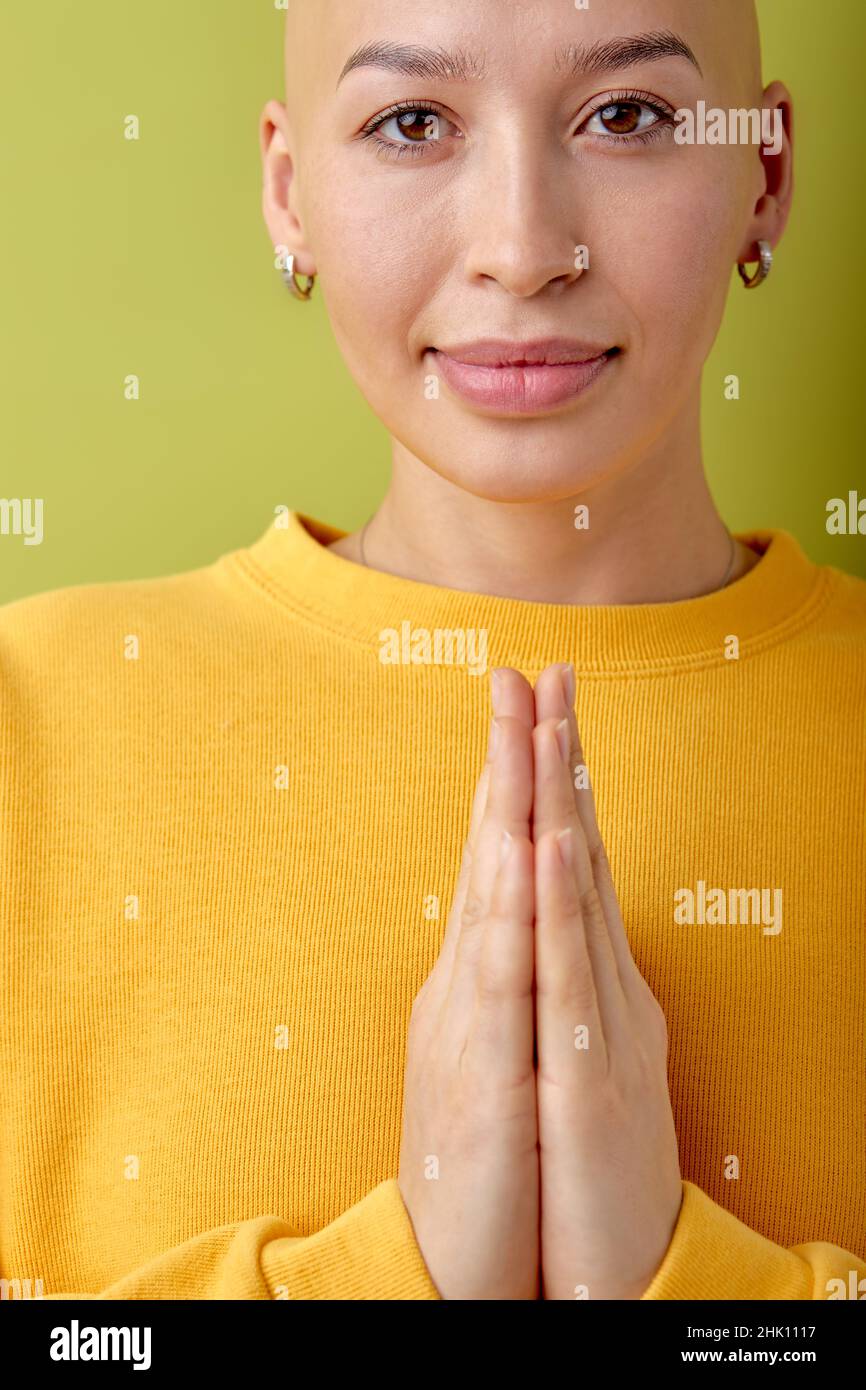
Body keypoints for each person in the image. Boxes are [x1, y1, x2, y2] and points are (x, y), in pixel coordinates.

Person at [1, 0, 863, 1300]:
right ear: (291, 195)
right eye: (411, 123)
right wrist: (392, 1276)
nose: (521, 250)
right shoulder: (35, 722)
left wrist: (682, 1286)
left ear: (766, 173)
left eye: (624, 116)